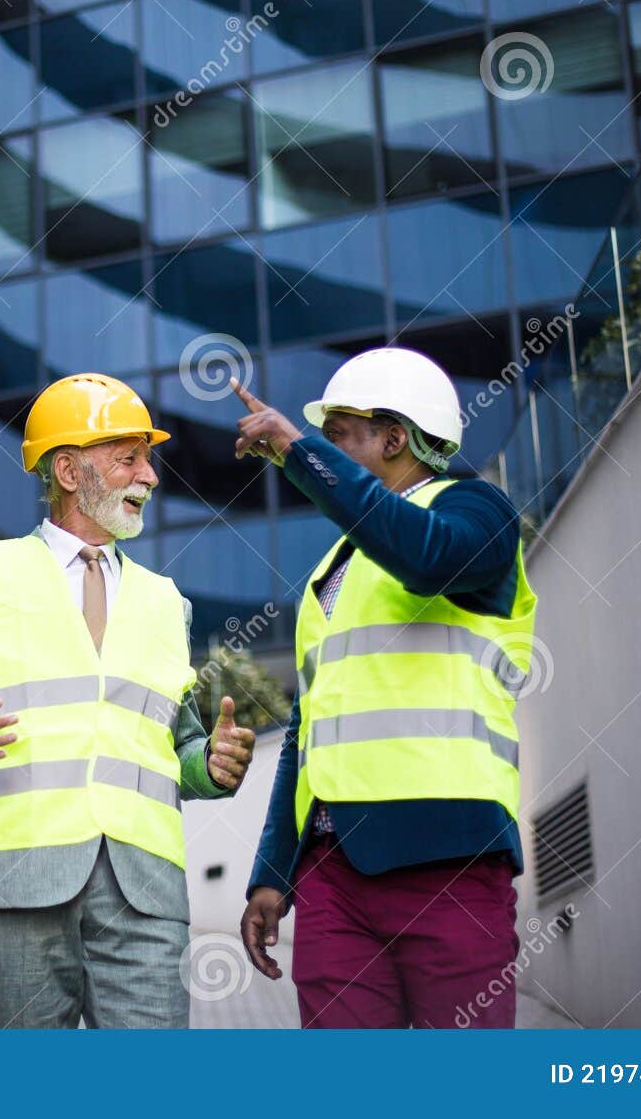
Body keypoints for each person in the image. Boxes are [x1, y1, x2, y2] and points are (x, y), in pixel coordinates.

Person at [0, 372, 255, 1029]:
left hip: (145, 896)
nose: (150, 475)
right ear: (67, 468)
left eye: (149, 458)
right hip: (8, 890)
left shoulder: (168, 602)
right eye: (128, 458)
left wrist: (213, 765)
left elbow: (180, 748)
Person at [230, 347, 538, 1029]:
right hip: (335, 872)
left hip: (451, 858)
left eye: (340, 435)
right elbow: (308, 737)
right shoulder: (330, 577)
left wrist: (298, 451)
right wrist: (272, 873)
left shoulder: (477, 511)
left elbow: (425, 557)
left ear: (395, 438)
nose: (327, 451)